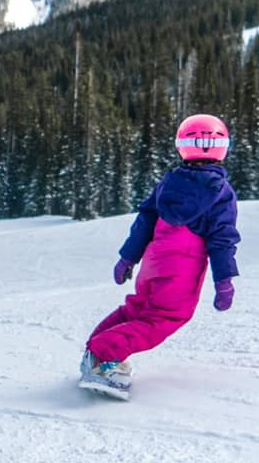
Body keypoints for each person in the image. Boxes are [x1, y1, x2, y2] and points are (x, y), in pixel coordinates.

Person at [79, 113, 239, 400]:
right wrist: (224, 280)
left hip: (155, 259)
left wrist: (128, 257)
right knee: (166, 316)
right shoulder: (221, 193)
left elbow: (145, 221)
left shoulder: (170, 182)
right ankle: (105, 356)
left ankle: (96, 350)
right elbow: (222, 239)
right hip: (182, 266)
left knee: (141, 307)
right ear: (222, 147)